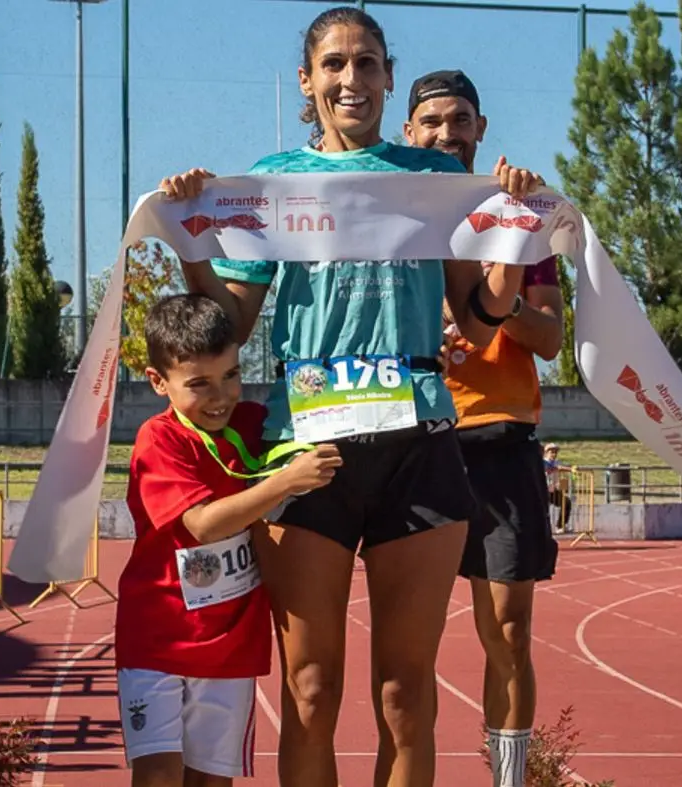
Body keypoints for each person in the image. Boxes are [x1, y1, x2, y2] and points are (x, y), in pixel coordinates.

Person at [162, 8, 541, 785]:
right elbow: (231, 323)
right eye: (333, 65)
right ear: (307, 80)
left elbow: (480, 313)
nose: (351, 80)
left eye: (366, 64)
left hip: (418, 444)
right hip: (308, 447)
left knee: (406, 693)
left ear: (388, 77)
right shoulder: (270, 184)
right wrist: (193, 246)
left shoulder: (437, 181)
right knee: (310, 688)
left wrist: (511, 236)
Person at [404, 68, 564, 787]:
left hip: (501, 448)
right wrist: (423, 335)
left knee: (508, 635)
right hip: (416, 444)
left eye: (459, 120)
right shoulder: (392, 216)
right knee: (410, 647)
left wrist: (490, 310)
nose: (446, 133)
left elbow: (553, 336)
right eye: (431, 122)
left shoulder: (524, 215)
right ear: (409, 133)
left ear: (481, 129)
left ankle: (508, 780)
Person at [114, 294, 342, 787]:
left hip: (230, 647)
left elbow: (319, 414)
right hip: (157, 640)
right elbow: (203, 525)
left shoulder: (252, 422)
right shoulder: (160, 440)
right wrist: (286, 481)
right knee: (157, 776)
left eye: (231, 376)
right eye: (199, 384)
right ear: (159, 382)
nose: (220, 397)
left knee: (211, 782)